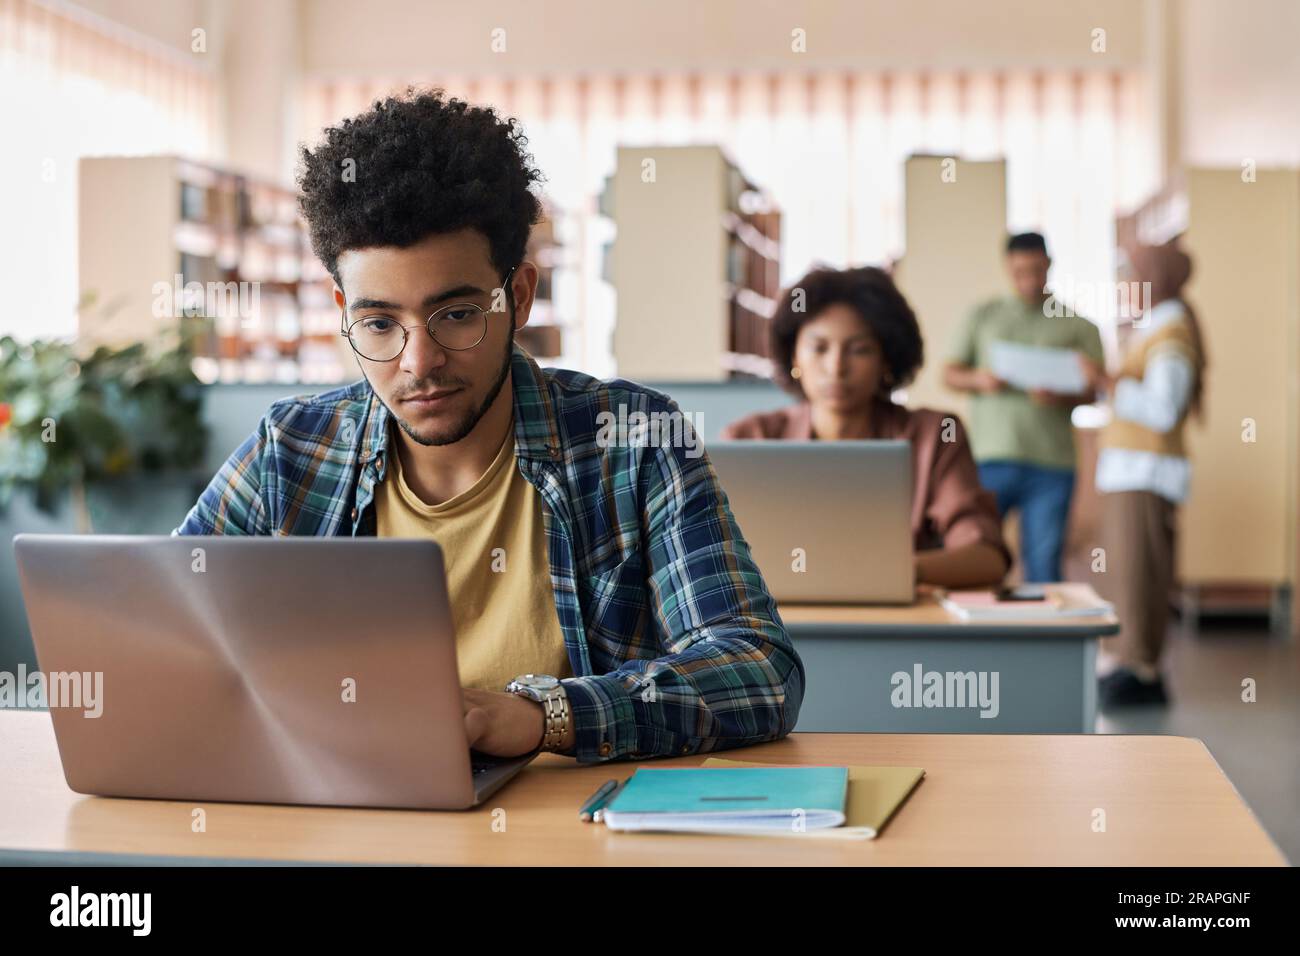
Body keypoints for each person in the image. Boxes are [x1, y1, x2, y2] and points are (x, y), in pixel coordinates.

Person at [174, 89, 804, 764]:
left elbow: (759, 671)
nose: (420, 363)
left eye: (455, 315)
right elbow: (164, 637)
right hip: (343, 822)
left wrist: (546, 715)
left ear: (520, 297)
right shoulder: (291, 450)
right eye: (379, 323)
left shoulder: (635, 440)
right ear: (342, 311)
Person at [723, 266, 1010, 589]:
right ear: (794, 357)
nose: (836, 368)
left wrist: (889, 574)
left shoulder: (936, 435)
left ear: (886, 361)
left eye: (859, 349)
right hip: (775, 625)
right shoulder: (748, 438)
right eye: (819, 348)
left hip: (897, 629)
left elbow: (986, 558)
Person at [1081, 238, 1207, 707]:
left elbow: (1163, 409)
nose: (1127, 283)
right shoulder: (1159, 327)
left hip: (1146, 472)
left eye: (1134, 275)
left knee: (1139, 574)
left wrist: (1109, 384)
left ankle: (1141, 668)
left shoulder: (1170, 335)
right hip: (1134, 472)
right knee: (1134, 573)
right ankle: (1137, 665)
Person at [943, 232, 1105, 582]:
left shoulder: (1078, 325)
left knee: (1044, 563)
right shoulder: (982, 316)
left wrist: (1063, 395)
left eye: (1036, 270)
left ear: (1049, 264)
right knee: (977, 558)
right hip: (990, 459)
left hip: (1052, 463)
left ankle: (1045, 636)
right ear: (1007, 268)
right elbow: (949, 373)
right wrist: (979, 380)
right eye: (1020, 272)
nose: (1029, 281)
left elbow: (1098, 390)